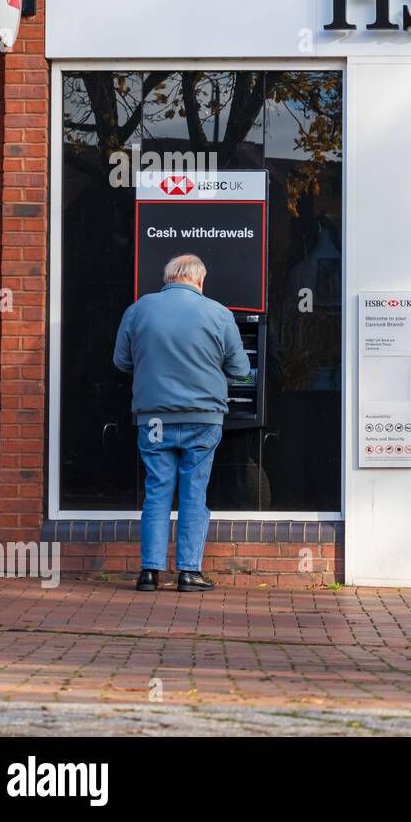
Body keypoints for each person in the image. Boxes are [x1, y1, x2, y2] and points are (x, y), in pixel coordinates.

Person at [113, 254, 249, 593]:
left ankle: (149, 573)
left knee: (157, 492)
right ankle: (189, 572)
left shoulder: (139, 309)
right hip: (202, 418)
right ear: (200, 281)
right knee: (193, 493)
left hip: (154, 417)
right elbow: (241, 369)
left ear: (168, 277)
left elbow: (121, 361)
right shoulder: (218, 313)